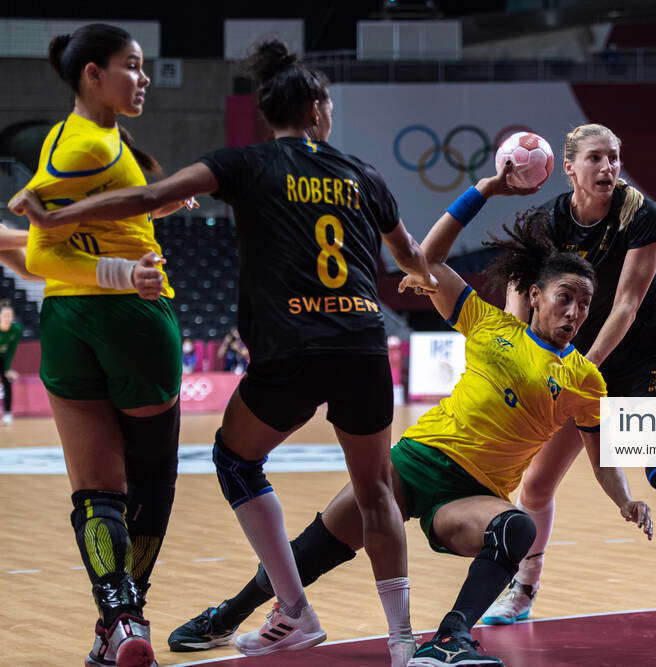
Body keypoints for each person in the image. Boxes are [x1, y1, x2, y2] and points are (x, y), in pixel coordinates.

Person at [11, 38, 438, 665]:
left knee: (234, 461)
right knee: (375, 492)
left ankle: (289, 609)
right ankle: (404, 644)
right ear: (319, 109)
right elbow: (410, 256)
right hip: (363, 346)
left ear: (269, 115)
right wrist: (426, 271)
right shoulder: (363, 174)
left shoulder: (245, 163)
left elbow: (146, 199)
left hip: (288, 348)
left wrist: (60, 215)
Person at [165, 190, 652, 667]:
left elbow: (601, 455)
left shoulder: (586, 381)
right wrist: (484, 190)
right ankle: (228, 614)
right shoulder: (492, 326)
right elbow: (426, 260)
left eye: (585, 304)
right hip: (413, 461)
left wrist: (625, 499)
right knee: (313, 550)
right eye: (565, 298)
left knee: (515, 528)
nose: (574, 312)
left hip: (469, 494)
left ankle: (449, 639)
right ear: (534, 295)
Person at [480, 124, 656, 649]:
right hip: (581, 365)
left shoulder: (642, 213)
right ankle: (522, 590)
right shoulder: (546, 222)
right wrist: (521, 357)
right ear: (569, 168)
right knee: (536, 486)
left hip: (648, 361)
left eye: (614, 157)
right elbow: (520, 293)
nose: (608, 167)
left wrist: (575, 372)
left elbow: (627, 306)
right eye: (596, 159)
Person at [5, 24, 190, 667]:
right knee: (152, 486)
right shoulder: (85, 140)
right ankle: (129, 615)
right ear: (92, 73)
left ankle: (117, 625)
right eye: (131, 66)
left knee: (95, 487)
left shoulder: (83, 137)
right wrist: (120, 271)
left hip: (64, 324)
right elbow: (36, 240)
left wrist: (150, 211)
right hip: (130, 318)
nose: (141, 79)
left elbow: (67, 221)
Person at [0, 301, 23, 424]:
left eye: (9, 316)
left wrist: (8, 369)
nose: (7, 318)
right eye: (4, 316)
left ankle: (8, 413)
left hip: (4, 356)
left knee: (7, 380)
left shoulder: (16, 329)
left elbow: (11, 350)